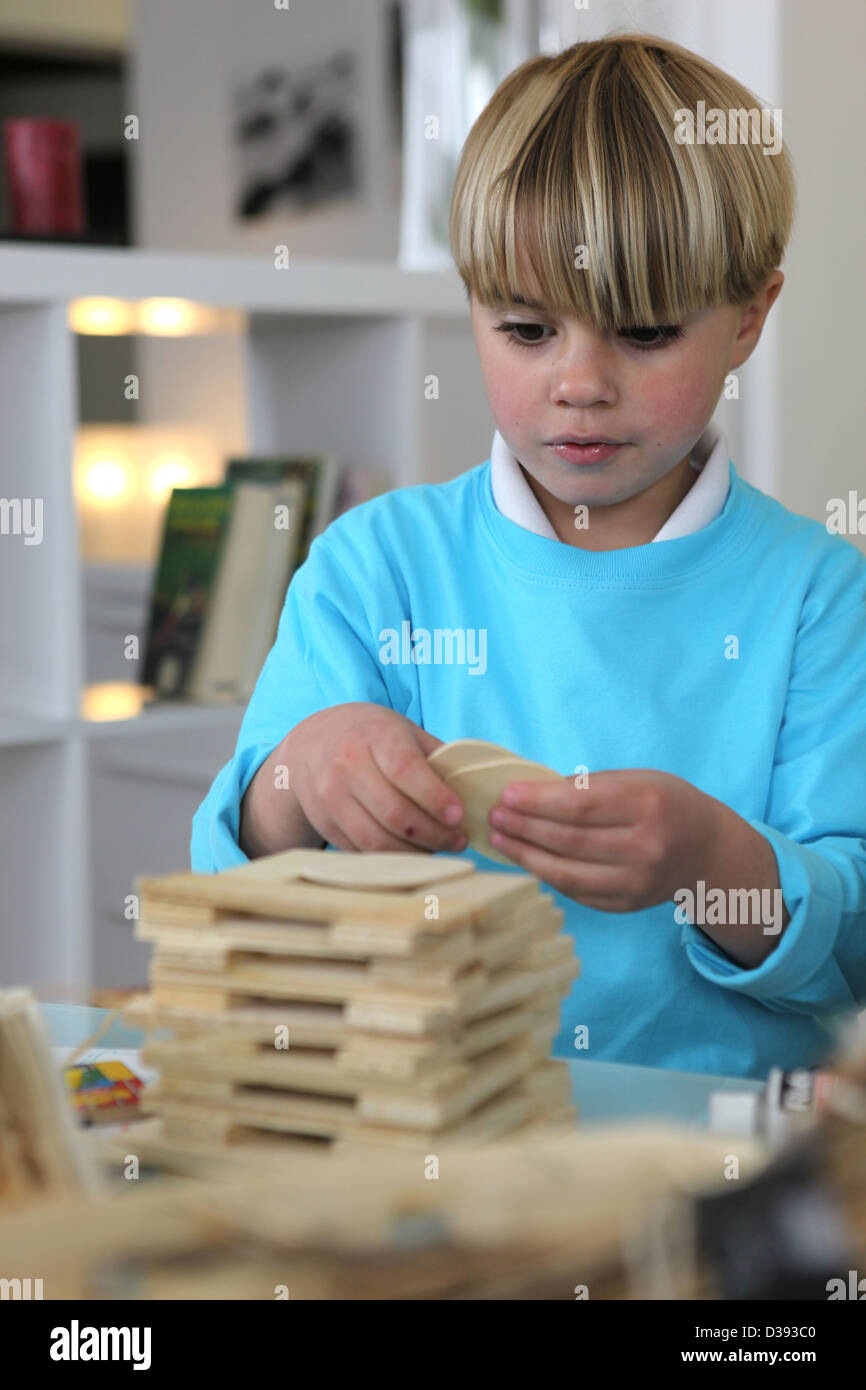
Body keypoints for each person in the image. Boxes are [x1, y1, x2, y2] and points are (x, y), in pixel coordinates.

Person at [191, 34, 866, 1079]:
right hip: (431, 1130)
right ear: (470, 305)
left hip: (717, 1169)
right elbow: (237, 878)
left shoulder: (818, 597)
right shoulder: (376, 566)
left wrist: (710, 860)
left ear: (747, 318)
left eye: (641, 334)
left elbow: (851, 942)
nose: (579, 383)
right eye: (523, 328)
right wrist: (302, 774)